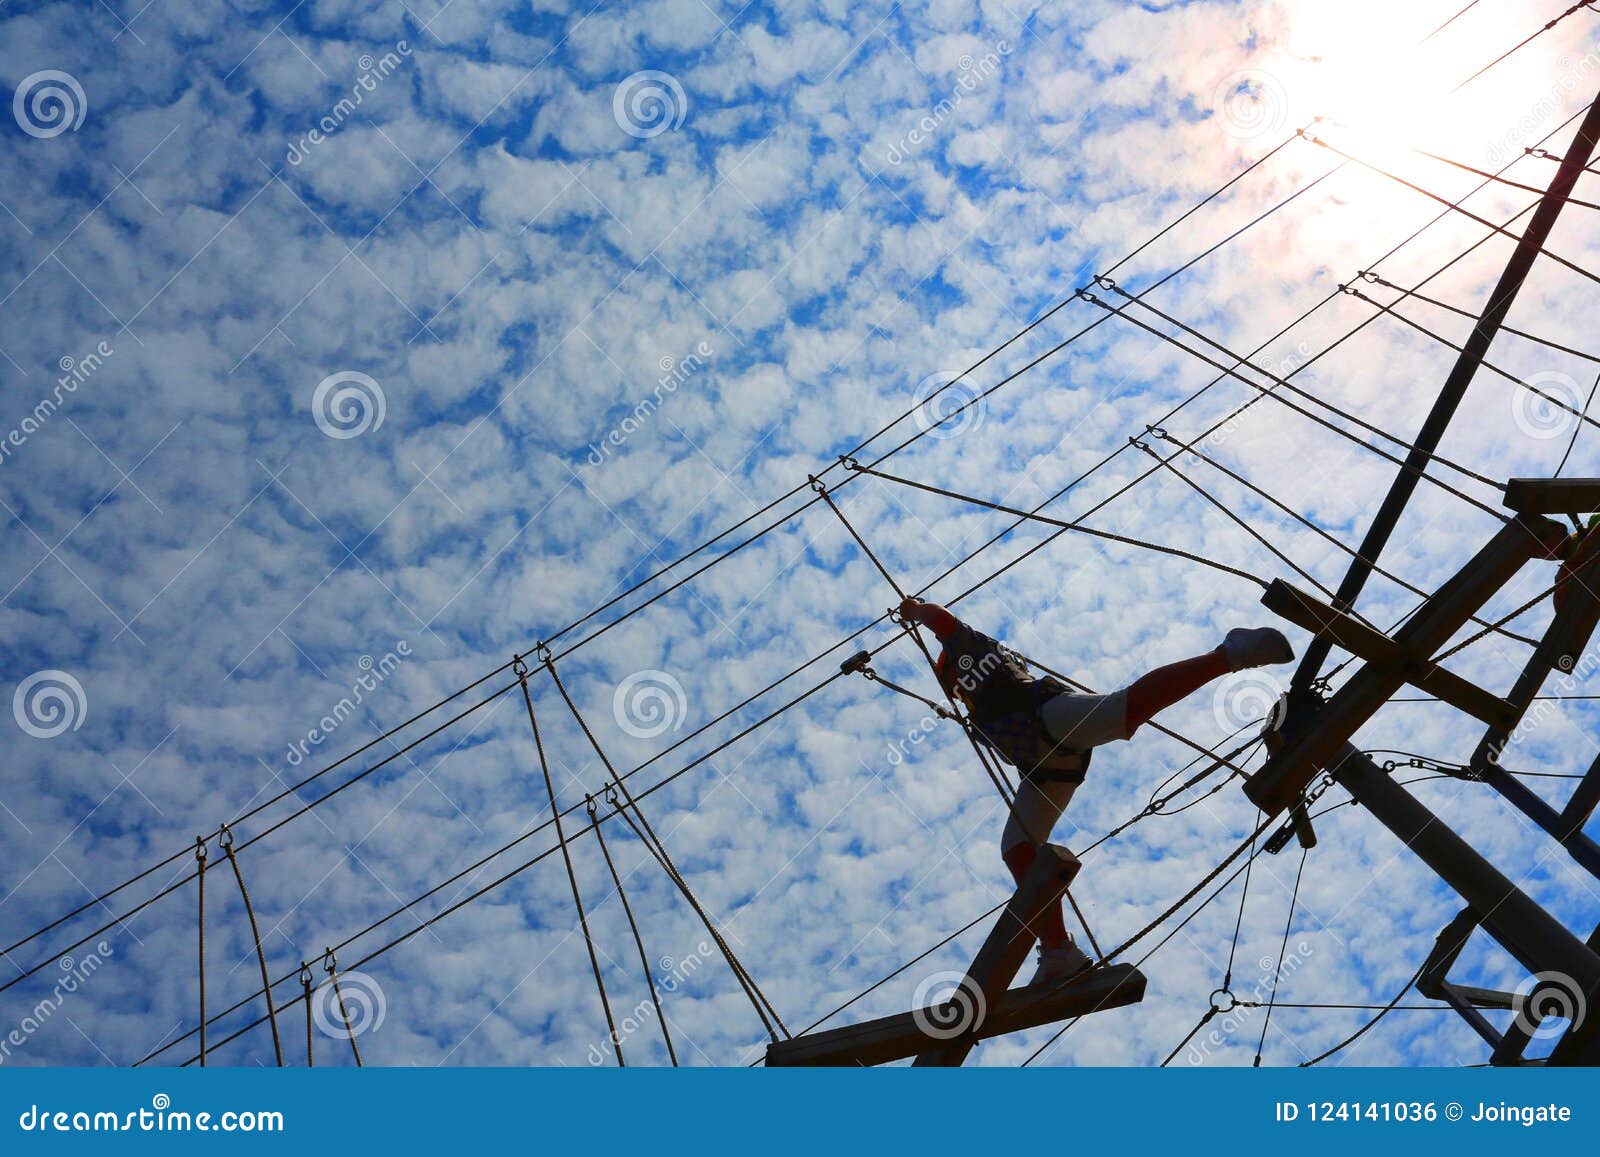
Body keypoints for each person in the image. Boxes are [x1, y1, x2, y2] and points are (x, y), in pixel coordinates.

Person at [897, 595, 1295, 987]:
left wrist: (915, 611)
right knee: (1017, 848)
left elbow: (943, 621)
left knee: (1123, 710)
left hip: (1047, 719)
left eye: (947, 679)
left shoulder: (972, 652)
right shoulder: (973, 702)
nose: (950, 688)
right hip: (1044, 767)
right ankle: (1058, 952)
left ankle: (1230, 652)